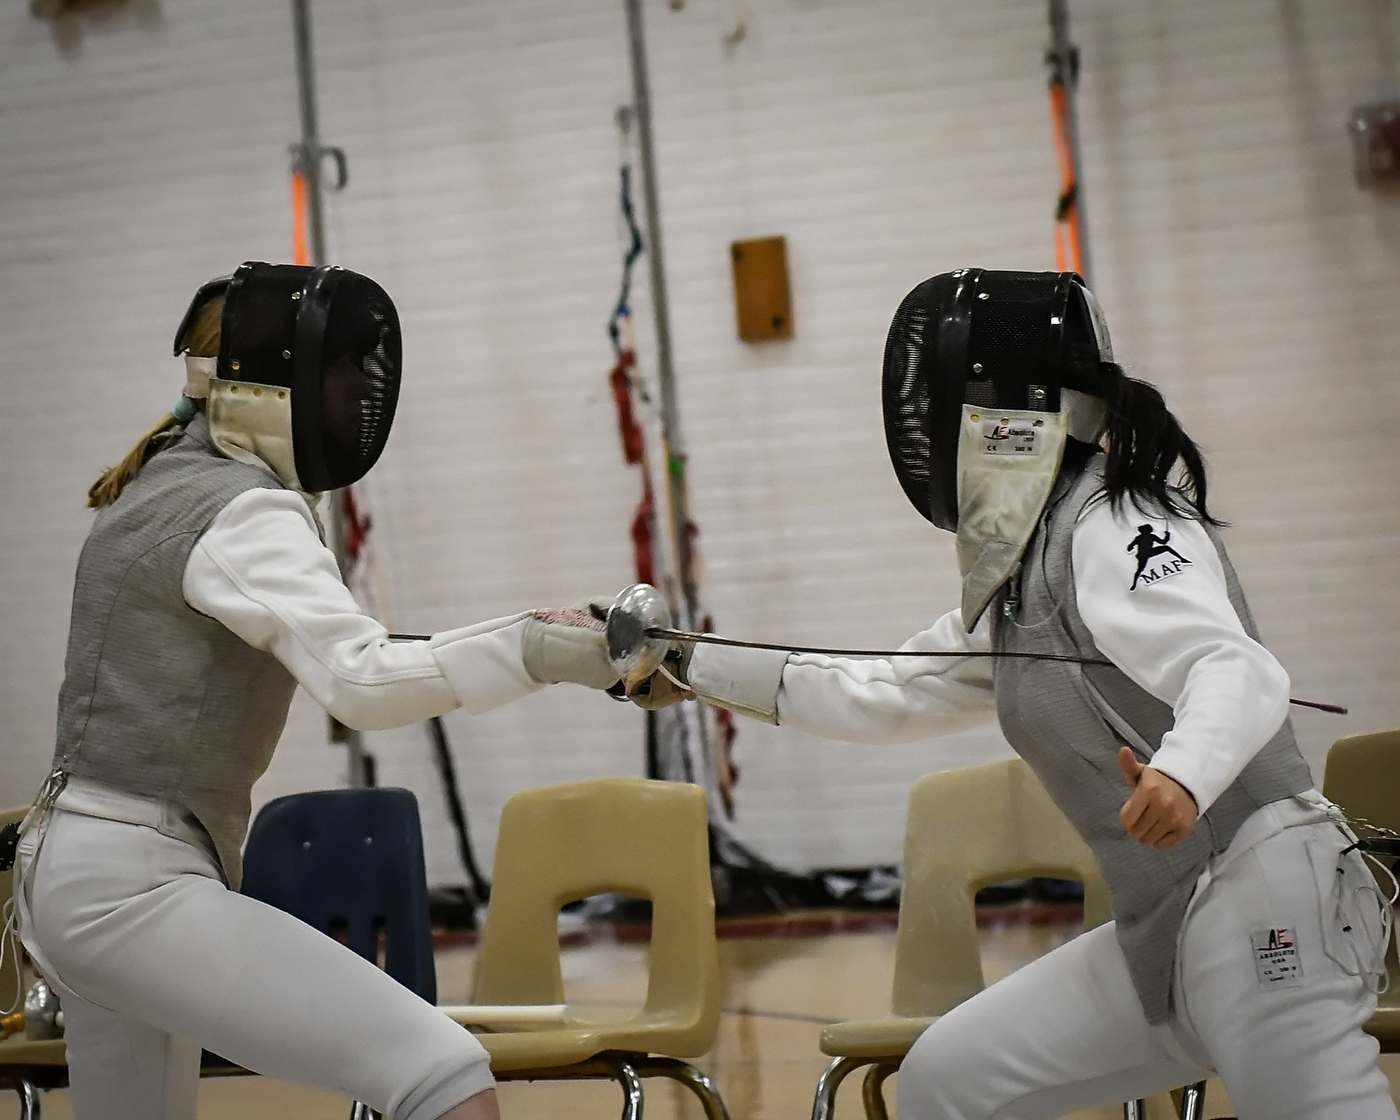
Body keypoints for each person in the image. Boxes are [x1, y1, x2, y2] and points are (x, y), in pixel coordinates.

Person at [638, 270, 1397, 1119]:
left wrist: (1183, 773)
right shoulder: (1020, 575)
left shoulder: (1115, 518)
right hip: (1169, 922)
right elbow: (885, 688)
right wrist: (686, 665)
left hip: (1261, 892)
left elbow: (1233, 666)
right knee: (947, 1083)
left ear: (1002, 411)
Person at [8, 262, 638, 1120]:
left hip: (75, 877)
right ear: (271, 385)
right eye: (338, 367)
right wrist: (537, 649)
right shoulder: (240, 509)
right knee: (439, 1069)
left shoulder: (160, 484)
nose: (357, 388)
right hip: (131, 885)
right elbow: (359, 680)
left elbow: (348, 656)